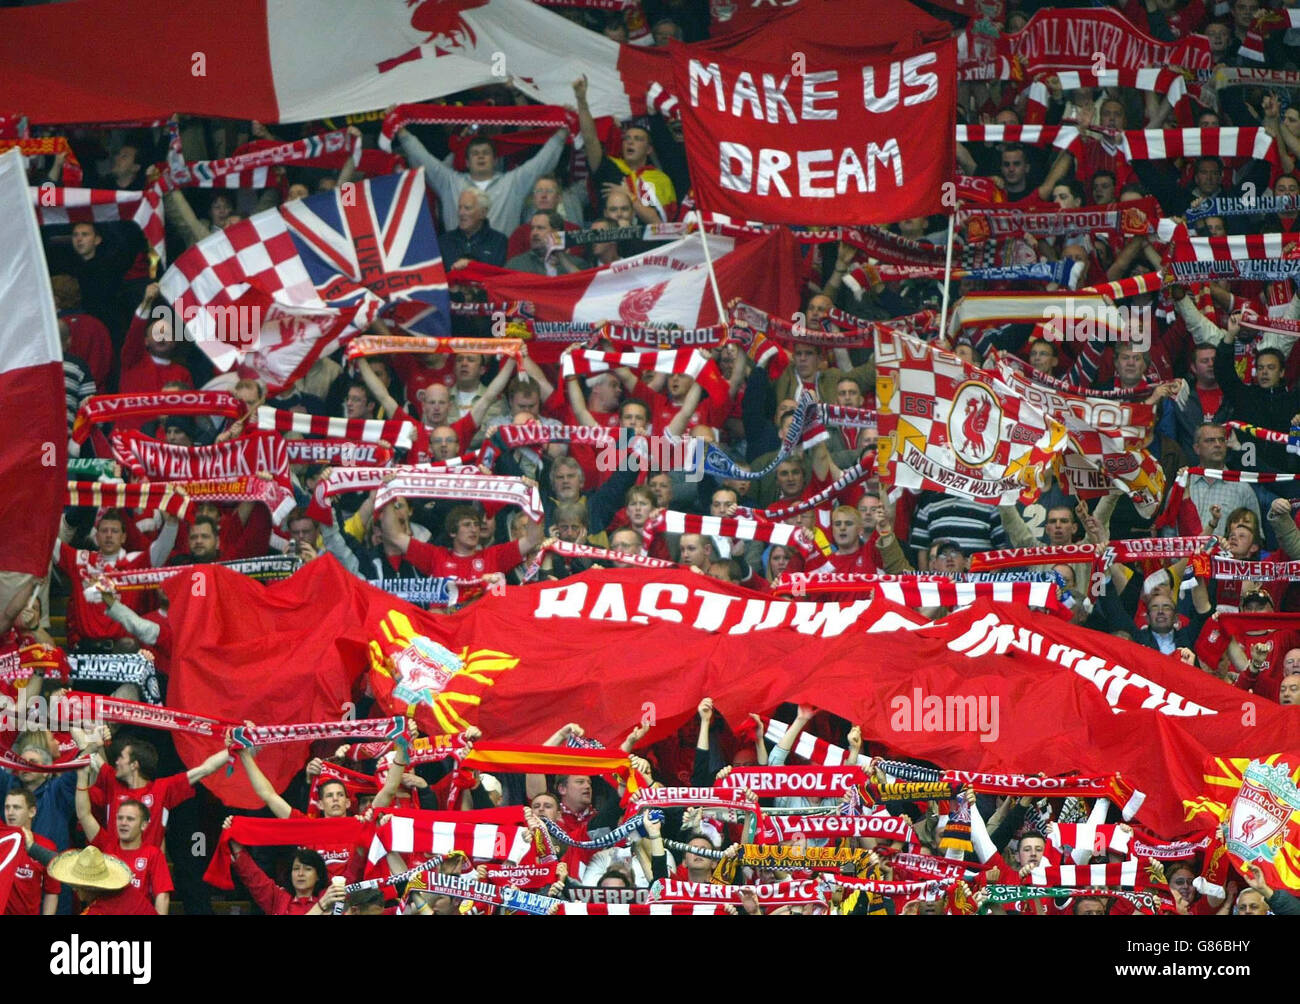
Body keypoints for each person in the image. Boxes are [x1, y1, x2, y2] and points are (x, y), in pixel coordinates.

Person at [392, 114, 570, 234]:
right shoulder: (450, 182)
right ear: (467, 162)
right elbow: (424, 159)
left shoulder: (513, 183)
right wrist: (400, 130)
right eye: (475, 154)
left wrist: (564, 130)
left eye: (486, 153)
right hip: (459, 264)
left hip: (501, 265)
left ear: (495, 159)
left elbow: (542, 162)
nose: (481, 157)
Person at [73, 778, 173, 915]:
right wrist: (81, 777)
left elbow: (163, 896)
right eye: (120, 818)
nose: (123, 823)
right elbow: (84, 815)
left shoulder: (153, 854)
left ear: (143, 825)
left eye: (130, 819)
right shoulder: (106, 845)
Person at [3, 789, 59, 915]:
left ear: (32, 812)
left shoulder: (45, 847)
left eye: (16, 807)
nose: (10, 813)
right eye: (7, 807)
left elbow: (52, 891)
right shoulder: (2, 842)